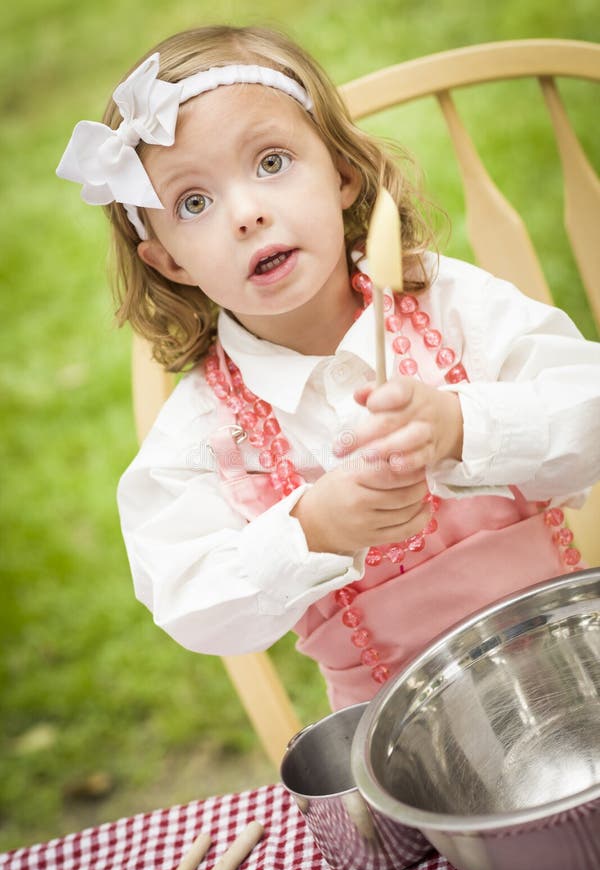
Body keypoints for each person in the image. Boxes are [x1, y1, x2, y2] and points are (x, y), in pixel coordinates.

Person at [57, 25, 600, 710]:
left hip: (576, 668)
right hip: (403, 741)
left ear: (342, 174)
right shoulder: (207, 432)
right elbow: (190, 600)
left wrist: (463, 425)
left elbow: (589, 410)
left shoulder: (446, 305)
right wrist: (311, 530)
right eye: (194, 203)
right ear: (168, 261)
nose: (248, 213)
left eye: (272, 162)